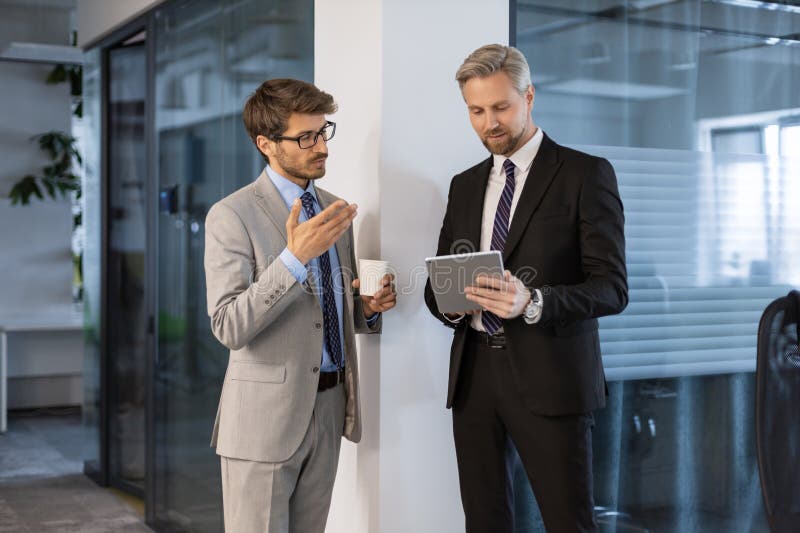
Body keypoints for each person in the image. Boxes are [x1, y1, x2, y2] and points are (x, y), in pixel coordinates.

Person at [424, 44, 627, 532]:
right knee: (484, 521)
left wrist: (533, 302)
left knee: (567, 522)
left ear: (529, 96)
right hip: (474, 377)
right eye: (476, 111)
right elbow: (437, 289)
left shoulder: (584, 174)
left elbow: (612, 288)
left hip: (553, 378)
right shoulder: (464, 185)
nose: (489, 123)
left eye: (501, 107)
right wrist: (453, 304)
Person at [204, 78, 396, 533]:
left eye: (323, 131)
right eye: (305, 137)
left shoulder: (333, 209)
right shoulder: (231, 215)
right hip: (262, 421)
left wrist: (366, 308)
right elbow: (229, 325)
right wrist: (294, 259)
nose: (322, 147)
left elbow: (325, 309)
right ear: (266, 144)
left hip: (329, 407)